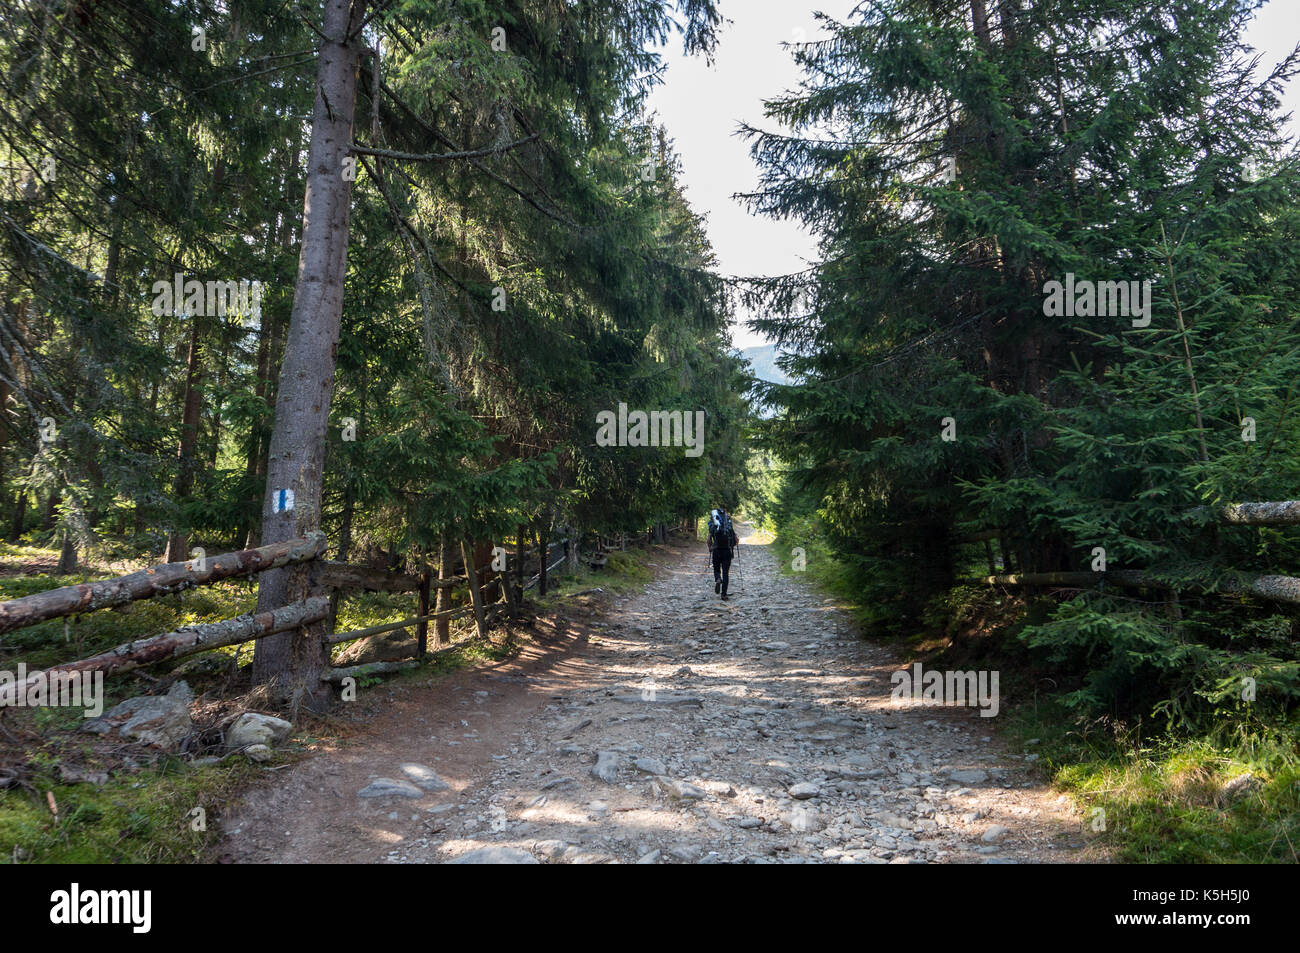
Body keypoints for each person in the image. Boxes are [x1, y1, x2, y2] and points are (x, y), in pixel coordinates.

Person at [707, 506, 739, 599]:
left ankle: (717, 579)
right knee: (726, 573)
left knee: (716, 569)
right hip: (727, 551)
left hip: (716, 550)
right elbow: (736, 540)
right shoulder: (728, 524)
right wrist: (732, 545)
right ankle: (724, 594)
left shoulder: (714, 525)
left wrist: (710, 548)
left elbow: (708, 540)